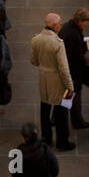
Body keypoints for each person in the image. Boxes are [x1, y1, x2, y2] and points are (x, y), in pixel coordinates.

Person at [29, 13, 75, 152]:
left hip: (43, 78)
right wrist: (70, 86)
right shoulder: (58, 43)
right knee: (61, 111)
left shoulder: (36, 39)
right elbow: (64, 68)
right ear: (55, 26)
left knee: (45, 108)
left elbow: (33, 61)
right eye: (60, 23)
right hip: (57, 80)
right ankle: (62, 142)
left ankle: (46, 138)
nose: (61, 25)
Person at [59, 8, 89, 131]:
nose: (86, 24)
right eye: (85, 22)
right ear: (79, 21)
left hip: (65, 67)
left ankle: (55, 118)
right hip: (73, 70)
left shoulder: (67, 26)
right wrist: (85, 59)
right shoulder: (73, 34)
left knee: (66, 94)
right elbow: (75, 55)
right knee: (74, 95)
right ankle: (77, 121)